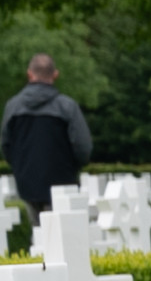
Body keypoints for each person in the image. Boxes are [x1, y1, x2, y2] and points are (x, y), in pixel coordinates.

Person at [6, 54, 92, 233]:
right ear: (55, 75)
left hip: (27, 183)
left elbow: (6, 145)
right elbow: (83, 147)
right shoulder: (67, 107)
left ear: (29, 74)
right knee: (66, 236)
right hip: (63, 182)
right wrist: (73, 168)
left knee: (38, 236)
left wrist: (20, 168)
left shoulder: (13, 107)